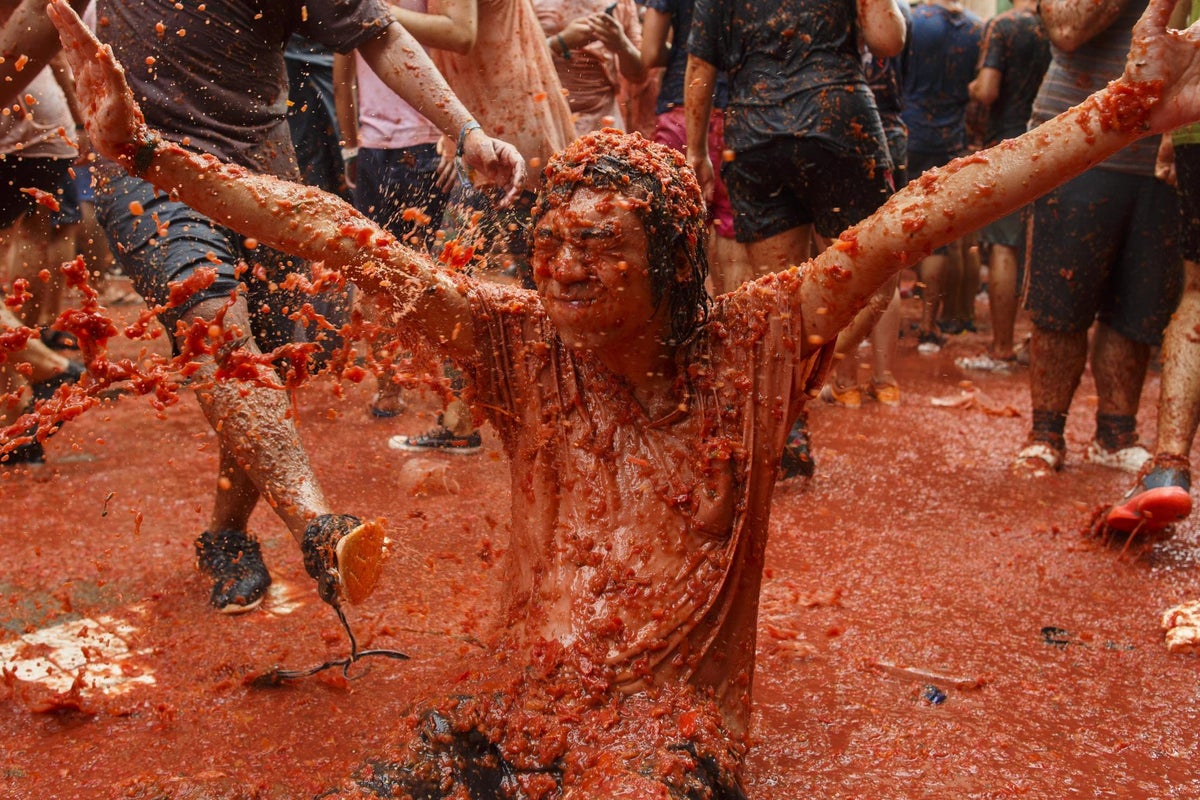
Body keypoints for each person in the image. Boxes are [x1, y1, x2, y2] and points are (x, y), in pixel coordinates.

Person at [51, 0, 1200, 791]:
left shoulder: (753, 342)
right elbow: (341, 235)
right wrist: (155, 158)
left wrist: (1115, 114)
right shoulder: (515, 343)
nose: (561, 268)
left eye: (598, 245)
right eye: (548, 244)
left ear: (665, 257)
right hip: (510, 703)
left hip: (670, 741)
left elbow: (924, 213)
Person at [46, 0, 526, 616]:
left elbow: (376, 34)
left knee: (274, 357)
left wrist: (467, 132)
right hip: (144, 161)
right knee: (216, 325)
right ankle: (318, 529)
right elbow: (34, 21)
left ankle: (226, 536)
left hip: (262, 167)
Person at [684, 0, 906, 476]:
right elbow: (889, 40)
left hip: (753, 136)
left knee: (782, 302)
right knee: (874, 284)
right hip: (838, 124)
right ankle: (798, 393)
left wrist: (696, 149)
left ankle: (786, 422)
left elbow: (700, 62)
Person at [386, 0, 578, 454]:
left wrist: (369, 12)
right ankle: (575, 412)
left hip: (504, 136)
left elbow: (460, 32)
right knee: (550, 287)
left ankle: (460, 423)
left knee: (449, 286)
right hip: (520, 130)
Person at [1015, 0, 1183, 478]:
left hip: (1160, 150)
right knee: (1060, 302)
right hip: (1079, 140)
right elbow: (1066, 27)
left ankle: (1116, 433)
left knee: (1139, 306)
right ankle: (1045, 434)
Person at [957, 0, 1051, 373]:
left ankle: (1001, 347)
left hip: (1010, 146)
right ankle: (1036, 342)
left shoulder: (1005, 26)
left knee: (1003, 247)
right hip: (1056, 143)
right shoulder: (1058, 29)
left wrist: (974, 86)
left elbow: (989, 90)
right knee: (1041, 246)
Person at [640, 0, 751, 295]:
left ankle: (678, 335)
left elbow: (650, 52)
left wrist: (683, 50)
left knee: (672, 236)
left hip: (682, 112)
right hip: (739, 114)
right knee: (731, 231)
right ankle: (731, 333)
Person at [901, 0, 983, 353]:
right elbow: (977, 91)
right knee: (940, 235)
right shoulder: (978, 29)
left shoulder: (912, 20)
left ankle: (881, 320)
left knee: (897, 226)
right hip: (952, 139)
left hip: (909, 134)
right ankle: (929, 322)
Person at [535, 0, 649, 137]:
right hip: (547, 118)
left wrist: (621, 44)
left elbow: (639, 75)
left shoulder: (621, 3)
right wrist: (560, 42)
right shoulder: (531, 4)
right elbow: (514, 62)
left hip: (604, 120)